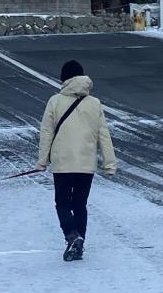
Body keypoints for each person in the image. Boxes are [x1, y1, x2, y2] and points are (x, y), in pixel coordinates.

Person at [36, 59, 117, 261]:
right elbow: (103, 135)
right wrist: (109, 163)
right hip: (86, 164)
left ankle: (72, 236)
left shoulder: (55, 101)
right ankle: (79, 244)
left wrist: (42, 161)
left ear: (64, 79)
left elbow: (46, 133)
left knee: (62, 204)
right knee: (80, 204)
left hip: (62, 164)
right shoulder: (94, 103)